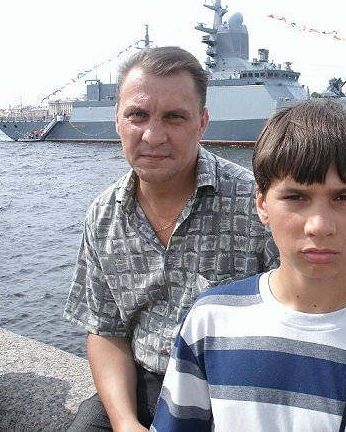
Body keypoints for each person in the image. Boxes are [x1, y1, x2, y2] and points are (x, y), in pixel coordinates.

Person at [150, 100, 346, 431]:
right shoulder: (208, 323)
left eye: (343, 198)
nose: (319, 226)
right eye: (296, 197)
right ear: (261, 204)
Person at [63, 46, 279, 431]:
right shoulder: (103, 216)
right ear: (117, 120)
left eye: (174, 117)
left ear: (202, 123)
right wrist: (125, 422)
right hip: (141, 384)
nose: (153, 135)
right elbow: (105, 330)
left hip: (235, 392)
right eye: (138, 115)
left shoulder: (257, 206)